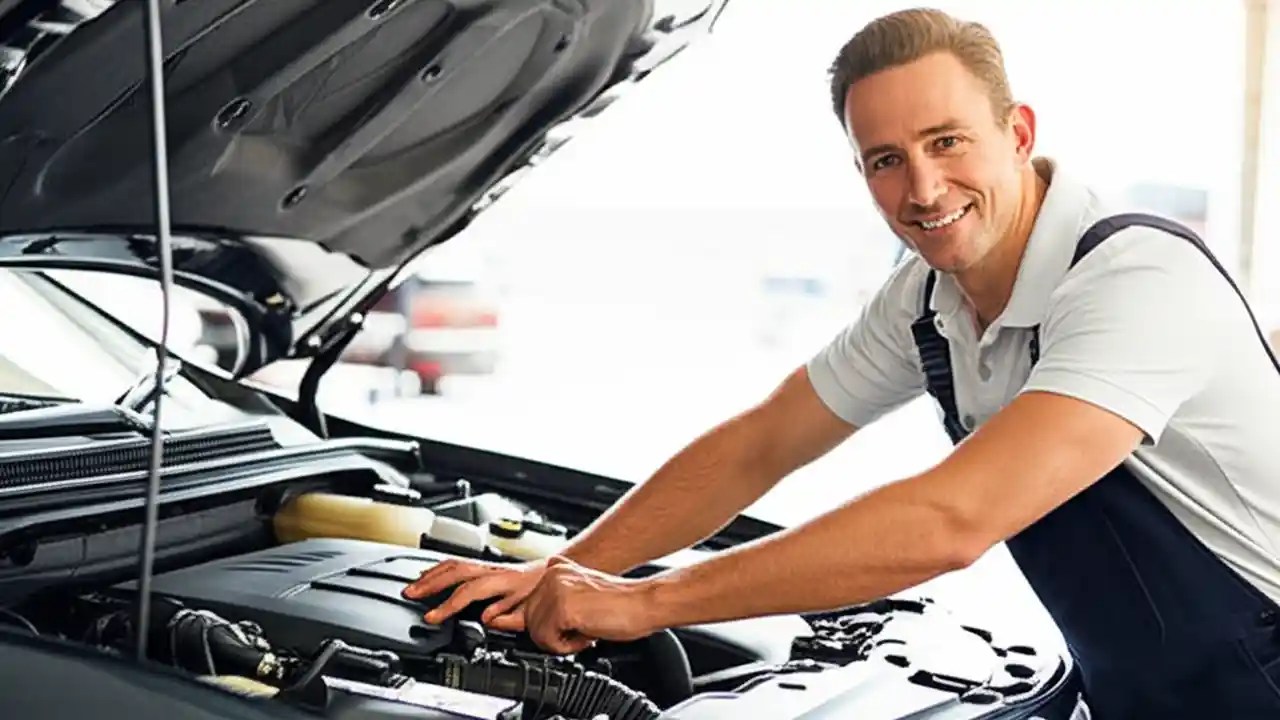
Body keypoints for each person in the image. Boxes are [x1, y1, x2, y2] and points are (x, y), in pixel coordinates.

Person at [404, 8, 1280, 717]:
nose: (923, 191)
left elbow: (950, 521)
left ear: (1017, 131)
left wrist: (645, 603)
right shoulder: (927, 298)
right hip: (1139, 690)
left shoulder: (1135, 281)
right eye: (887, 162)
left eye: (948, 142)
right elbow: (764, 442)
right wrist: (563, 569)